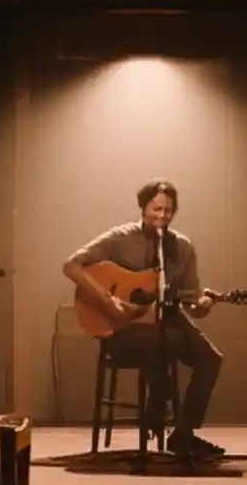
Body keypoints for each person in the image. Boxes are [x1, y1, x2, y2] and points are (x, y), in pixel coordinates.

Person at [63, 178, 225, 456]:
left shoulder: (182, 248)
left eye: (168, 211)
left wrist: (204, 305)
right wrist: (109, 300)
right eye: (156, 209)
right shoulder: (120, 238)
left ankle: (183, 433)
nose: (162, 216)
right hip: (121, 328)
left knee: (210, 358)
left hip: (167, 320)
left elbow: (191, 302)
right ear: (143, 208)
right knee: (165, 340)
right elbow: (71, 265)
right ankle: (156, 410)